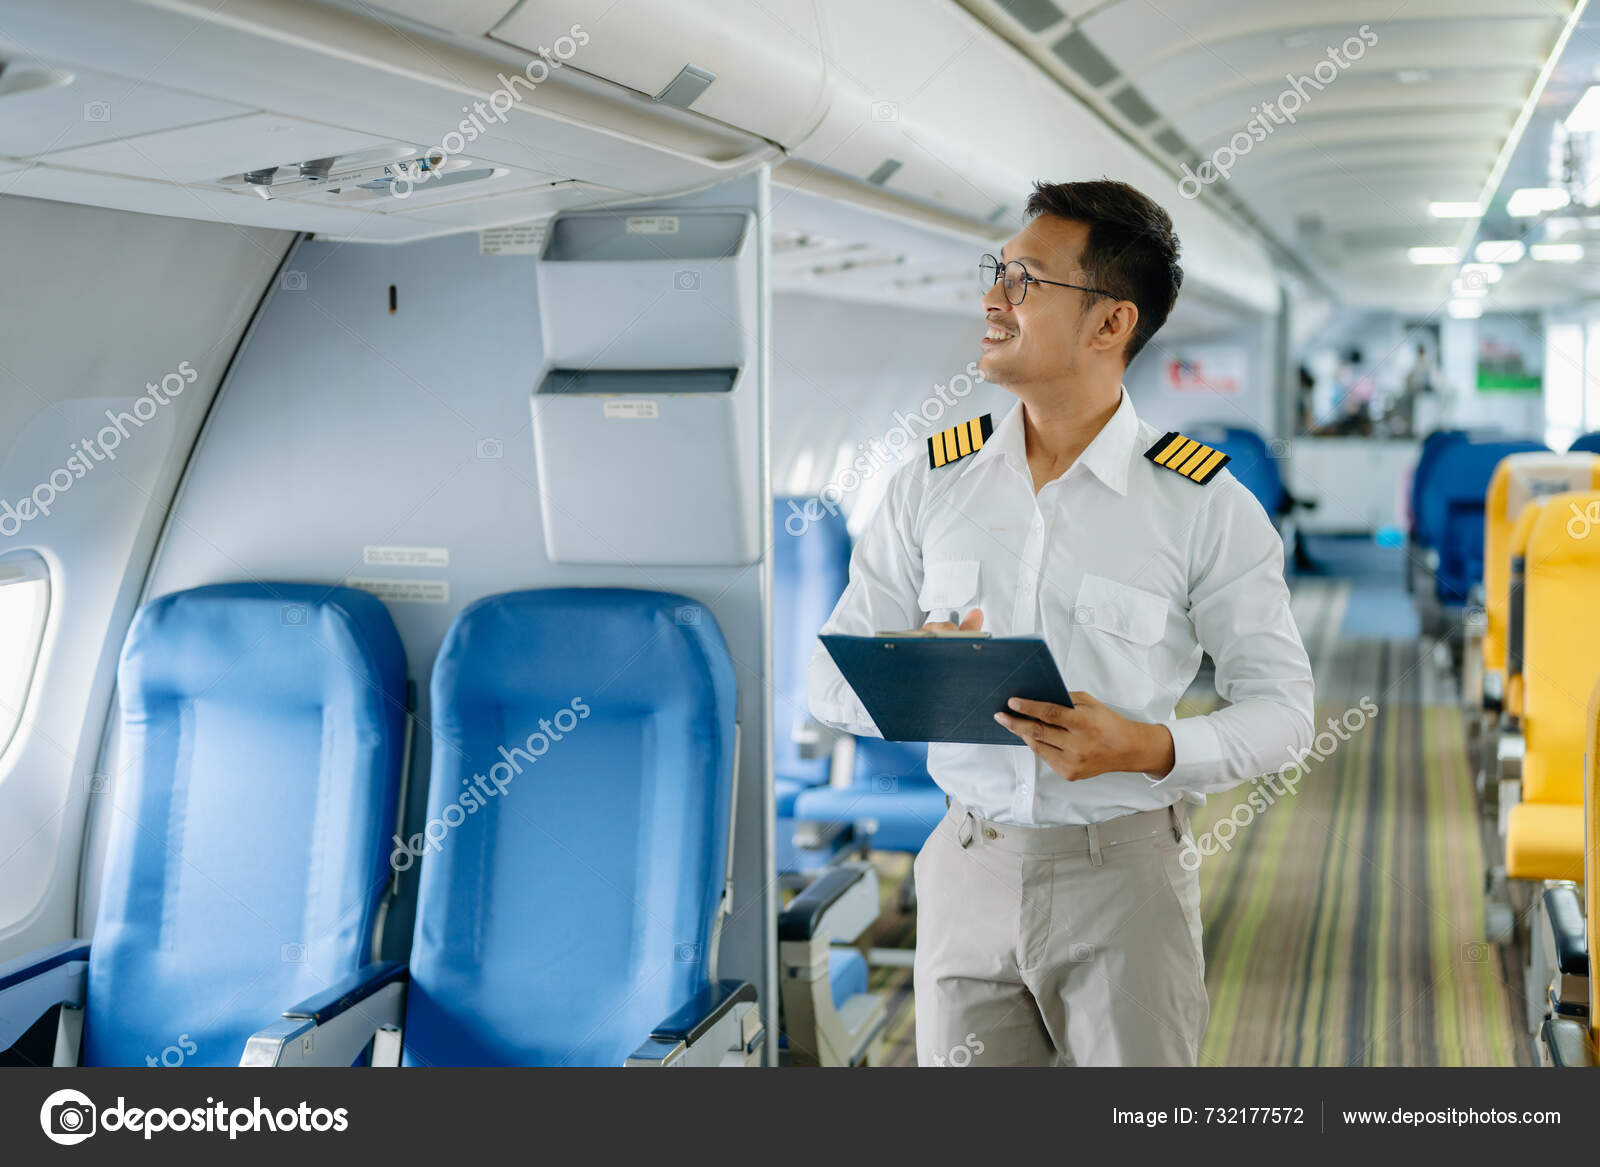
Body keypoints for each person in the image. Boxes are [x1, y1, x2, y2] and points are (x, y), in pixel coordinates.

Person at [806, 179, 1315, 1067]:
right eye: (996, 273)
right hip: (967, 862)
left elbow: (1285, 713)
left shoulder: (1203, 503)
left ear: (1109, 324)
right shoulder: (931, 481)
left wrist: (1149, 747)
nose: (992, 299)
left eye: (1024, 281)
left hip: (1123, 877)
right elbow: (827, 680)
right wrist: (917, 671)